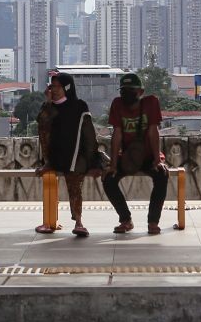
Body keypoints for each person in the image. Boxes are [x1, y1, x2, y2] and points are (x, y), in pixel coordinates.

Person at [34, 72, 104, 237]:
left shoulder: (79, 106)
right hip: (55, 156)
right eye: (52, 87)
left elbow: (89, 135)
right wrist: (48, 102)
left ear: (67, 87)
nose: (55, 90)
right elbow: (42, 123)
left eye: (58, 87)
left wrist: (93, 161)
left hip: (76, 156)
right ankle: (48, 163)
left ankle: (78, 221)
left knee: (74, 185)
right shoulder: (51, 108)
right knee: (44, 128)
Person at [103, 72, 168, 235]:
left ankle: (153, 221)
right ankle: (125, 219)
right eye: (123, 90)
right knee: (108, 179)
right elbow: (116, 134)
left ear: (140, 91)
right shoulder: (117, 104)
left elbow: (154, 131)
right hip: (128, 157)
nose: (126, 94)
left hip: (148, 156)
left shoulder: (151, 103)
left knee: (161, 175)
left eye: (130, 90)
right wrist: (113, 165)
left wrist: (156, 160)